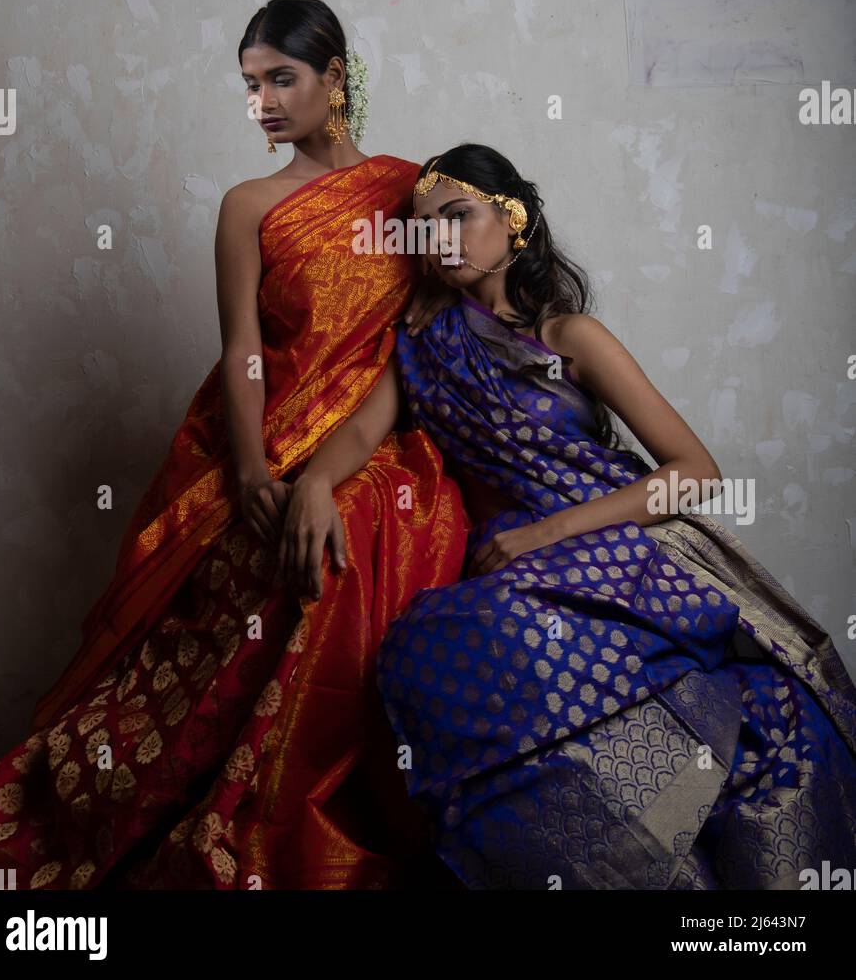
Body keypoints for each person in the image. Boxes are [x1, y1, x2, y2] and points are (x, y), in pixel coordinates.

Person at [0, 0, 468, 891]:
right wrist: (253, 470)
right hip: (263, 438)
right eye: (249, 85)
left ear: (335, 78)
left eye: (281, 79)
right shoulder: (249, 205)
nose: (263, 101)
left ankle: (308, 822)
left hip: (375, 439)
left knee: (363, 527)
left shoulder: (408, 188)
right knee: (254, 565)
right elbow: (241, 350)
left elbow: (435, 317)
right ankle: (159, 801)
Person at [297, 143, 856, 889]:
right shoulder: (425, 345)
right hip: (519, 565)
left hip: (618, 542)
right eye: (424, 229)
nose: (441, 241)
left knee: (758, 719)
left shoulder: (569, 339)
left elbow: (694, 473)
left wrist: (549, 532)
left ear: (514, 221)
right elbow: (362, 432)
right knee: (430, 649)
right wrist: (311, 484)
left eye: (458, 217)